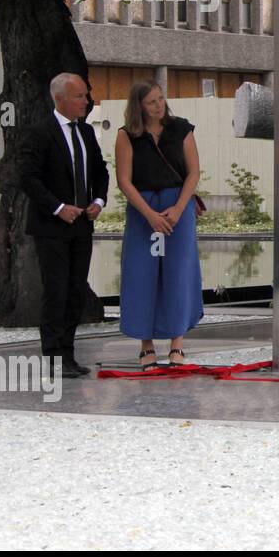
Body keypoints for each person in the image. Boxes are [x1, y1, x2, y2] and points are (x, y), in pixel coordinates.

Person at [18, 73, 109, 378]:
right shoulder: (39, 132)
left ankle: (68, 354)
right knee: (55, 291)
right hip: (52, 227)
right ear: (60, 99)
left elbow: (100, 172)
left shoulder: (85, 132)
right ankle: (54, 358)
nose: (86, 101)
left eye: (86, 95)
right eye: (80, 96)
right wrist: (58, 208)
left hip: (82, 226)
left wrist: (99, 201)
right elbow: (28, 178)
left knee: (74, 293)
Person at [114, 80, 204, 370]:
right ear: (139, 105)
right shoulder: (127, 135)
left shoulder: (181, 129)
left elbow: (193, 172)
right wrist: (149, 215)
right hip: (144, 209)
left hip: (177, 205)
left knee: (178, 272)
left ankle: (177, 344)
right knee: (142, 274)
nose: (158, 105)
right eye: (152, 101)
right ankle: (146, 345)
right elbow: (124, 181)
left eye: (161, 99)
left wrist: (179, 209)